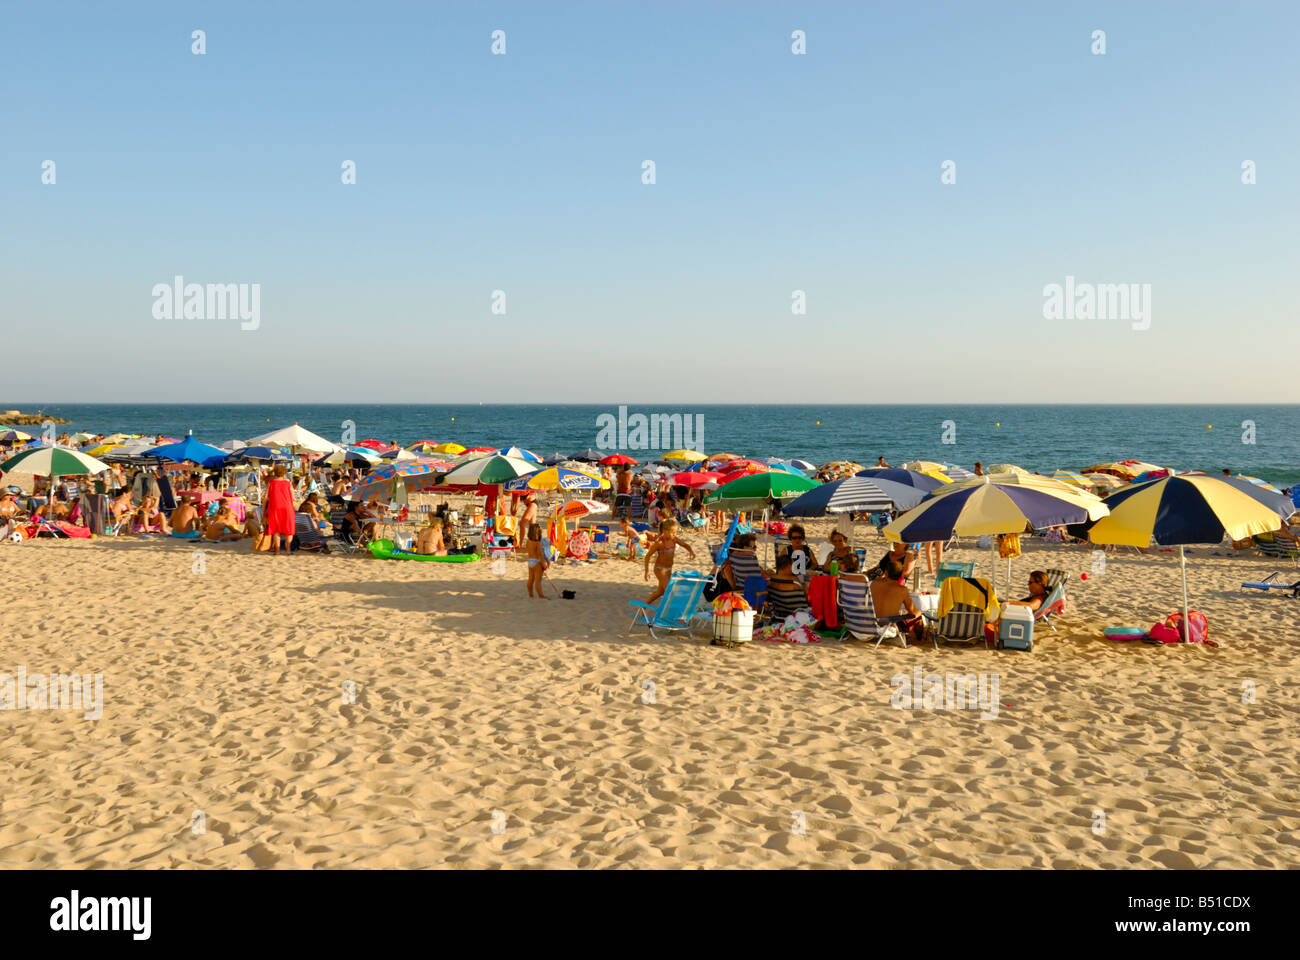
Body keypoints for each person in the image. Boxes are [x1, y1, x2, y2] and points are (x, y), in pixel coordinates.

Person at [869, 557, 925, 641]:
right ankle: (919, 640)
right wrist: (920, 612)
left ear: (886, 573)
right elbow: (911, 612)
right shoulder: (902, 590)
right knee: (918, 613)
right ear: (901, 574)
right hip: (888, 625)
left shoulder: (874, 583)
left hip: (871, 623)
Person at [644, 517, 696, 604]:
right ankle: (672, 613)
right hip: (660, 569)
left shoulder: (674, 539)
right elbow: (647, 556)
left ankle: (643, 606)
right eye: (673, 533)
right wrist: (647, 571)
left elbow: (684, 544)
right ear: (665, 531)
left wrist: (691, 551)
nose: (675, 534)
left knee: (660, 592)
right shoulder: (659, 543)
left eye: (675, 532)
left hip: (668, 569)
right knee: (670, 591)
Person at [262, 463, 296, 555]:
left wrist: (263, 510)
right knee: (288, 529)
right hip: (287, 507)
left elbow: (265, 498)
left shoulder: (271, 483)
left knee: (276, 529)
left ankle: (277, 551)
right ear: (284, 473)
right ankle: (288, 550)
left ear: (275, 473)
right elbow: (293, 497)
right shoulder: (288, 483)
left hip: (274, 508)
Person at [767, 553, 810, 618]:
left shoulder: (771, 580)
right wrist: (804, 586)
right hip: (797, 614)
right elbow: (806, 597)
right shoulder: (794, 581)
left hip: (780, 613)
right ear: (788, 566)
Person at [524, 522, 549, 598]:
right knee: (538, 581)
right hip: (536, 562)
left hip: (530, 561)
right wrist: (544, 564)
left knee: (530, 579)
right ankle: (541, 595)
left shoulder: (528, 541)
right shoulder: (537, 543)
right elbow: (540, 555)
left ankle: (530, 594)